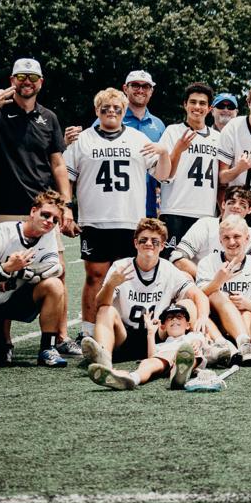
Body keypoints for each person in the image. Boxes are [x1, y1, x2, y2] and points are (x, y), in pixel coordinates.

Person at [63, 88, 172, 341]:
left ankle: (120, 332)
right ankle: (88, 332)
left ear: (124, 111)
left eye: (116, 108)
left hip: (129, 220)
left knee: (125, 280)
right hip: (95, 218)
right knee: (95, 277)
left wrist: (165, 152)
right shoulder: (82, 140)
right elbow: (67, 176)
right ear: (97, 111)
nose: (111, 112)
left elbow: (163, 175)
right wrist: (67, 207)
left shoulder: (137, 138)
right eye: (105, 108)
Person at [0, 58, 75, 235]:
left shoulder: (49, 117)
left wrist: (66, 204)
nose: (28, 81)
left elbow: (58, 164)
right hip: (3, 210)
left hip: (43, 209)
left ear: (41, 82)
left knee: (51, 263)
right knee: (10, 263)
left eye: (33, 77)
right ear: (12, 80)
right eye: (21, 76)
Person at [80, 219, 207, 368]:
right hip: (125, 336)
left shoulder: (168, 269)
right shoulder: (121, 266)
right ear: (135, 243)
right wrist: (110, 284)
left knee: (188, 304)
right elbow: (99, 304)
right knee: (106, 311)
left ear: (162, 246)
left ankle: (197, 347)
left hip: (158, 334)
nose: (148, 244)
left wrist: (203, 317)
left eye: (154, 241)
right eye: (143, 240)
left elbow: (198, 294)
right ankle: (103, 357)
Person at [0, 190, 70, 368]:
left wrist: (15, 272)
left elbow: (53, 269)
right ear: (33, 211)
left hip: (11, 299)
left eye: (55, 219)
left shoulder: (48, 234)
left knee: (55, 285)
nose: (49, 222)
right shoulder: (4, 231)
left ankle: (48, 349)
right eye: (45, 215)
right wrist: (6, 268)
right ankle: (0, 343)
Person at [195, 214, 251, 362]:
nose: (231, 242)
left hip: (246, 322)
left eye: (237, 236)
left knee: (247, 312)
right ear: (220, 240)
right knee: (215, 294)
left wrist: (247, 304)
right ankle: (238, 346)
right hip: (216, 321)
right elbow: (197, 297)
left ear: (247, 238)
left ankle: (241, 347)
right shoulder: (207, 262)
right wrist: (217, 282)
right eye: (226, 238)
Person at [158, 82, 221, 251]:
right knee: (171, 264)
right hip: (175, 209)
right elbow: (164, 174)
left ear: (209, 108)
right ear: (185, 104)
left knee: (201, 267)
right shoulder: (173, 131)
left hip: (206, 212)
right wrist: (178, 150)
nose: (197, 107)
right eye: (193, 102)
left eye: (202, 103)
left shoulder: (218, 138)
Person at [88, 305, 212, 391]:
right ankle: (132, 378)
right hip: (166, 357)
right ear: (163, 327)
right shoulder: (163, 345)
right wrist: (151, 334)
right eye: (169, 318)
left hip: (188, 355)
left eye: (179, 317)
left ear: (188, 325)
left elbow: (200, 341)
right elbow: (152, 356)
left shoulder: (193, 336)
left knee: (187, 353)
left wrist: (196, 343)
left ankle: (179, 371)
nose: (174, 319)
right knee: (149, 362)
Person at [169, 187, 251, 278]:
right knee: (184, 276)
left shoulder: (249, 233)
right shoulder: (206, 224)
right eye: (231, 202)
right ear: (223, 204)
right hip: (203, 284)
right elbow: (177, 257)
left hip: (235, 289)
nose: (236, 206)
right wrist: (209, 280)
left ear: (249, 210)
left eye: (242, 204)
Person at [119, 70, 166, 217]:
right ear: (125, 88)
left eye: (145, 86)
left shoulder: (159, 125)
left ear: (151, 91)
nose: (140, 90)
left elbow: (164, 166)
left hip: (149, 203)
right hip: (117, 202)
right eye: (135, 85)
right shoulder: (111, 117)